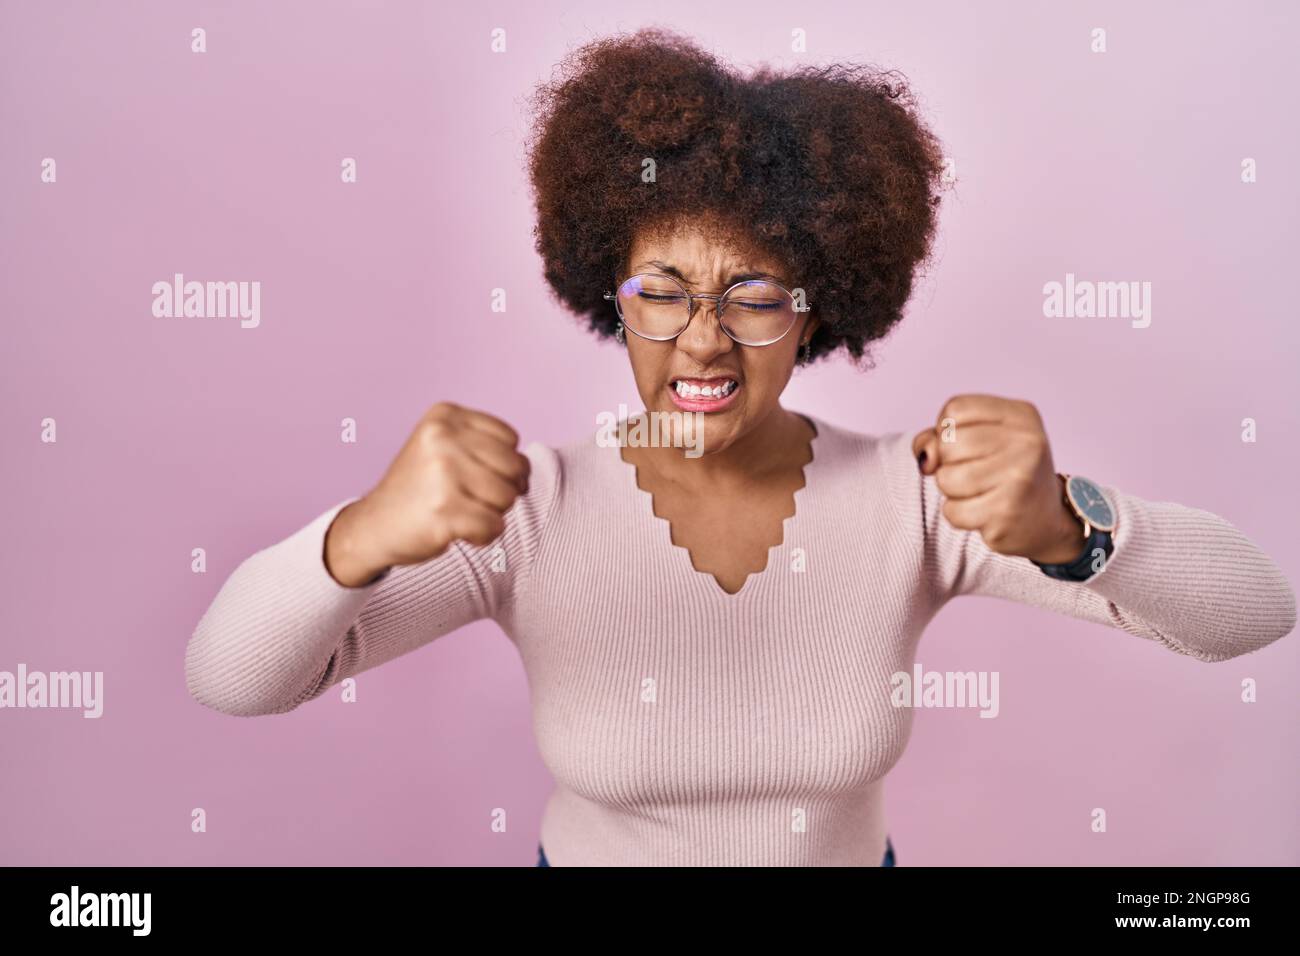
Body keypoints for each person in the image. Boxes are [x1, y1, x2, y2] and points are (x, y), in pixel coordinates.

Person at [184, 29, 1296, 866]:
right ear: (608, 300)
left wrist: (1066, 522)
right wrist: (359, 536)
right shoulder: (527, 508)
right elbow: (232, 679)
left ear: (817, 311)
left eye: (753, 294)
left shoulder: (913, 499)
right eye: (660, 292)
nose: (702, 337)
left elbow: (1255, 610)